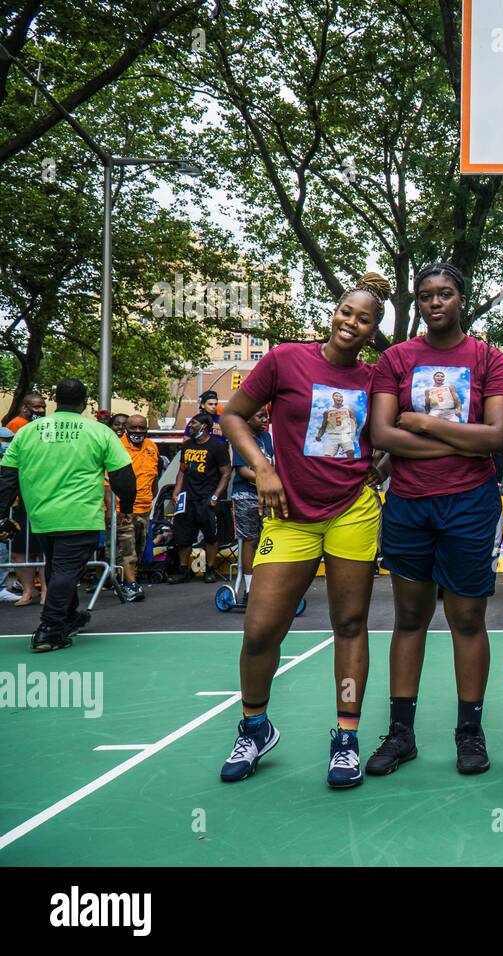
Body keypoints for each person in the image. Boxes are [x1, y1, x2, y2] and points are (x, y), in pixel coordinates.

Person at [216, 273, 390, 788]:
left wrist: (384, 462)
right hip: (289, 515)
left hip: (352, 510)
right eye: (345, 312)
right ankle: (254, 726)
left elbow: (390, 431)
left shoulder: (375, 378)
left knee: (351, 624)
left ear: (372, 331)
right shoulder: (285, 359)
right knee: (260, 630)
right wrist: (263, 467)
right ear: (333, 313)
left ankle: (346, 737)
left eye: (363, 319)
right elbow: (233, 416)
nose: (351, 323)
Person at [367, 262, 503, 776]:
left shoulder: (489, 359)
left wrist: (426, 425)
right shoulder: (395, 359)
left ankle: (469, 733)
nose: (435, 302)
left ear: (462, 300)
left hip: (471, 505)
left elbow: (496, 438)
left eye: (445, 294)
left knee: (468, 620)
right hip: (409, 506)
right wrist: (458, 438)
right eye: (426, 295)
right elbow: (383, 436)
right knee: (409, 619)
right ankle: (401, 734)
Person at [0, 378, 137, 652]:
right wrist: (127, 507)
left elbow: (7, 476)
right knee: (65, 570)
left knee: (57, 567)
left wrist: (2, 514)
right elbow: (123, 477)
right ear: (84, 402)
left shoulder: (28, 432)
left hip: (41, 517)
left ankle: (69, 617)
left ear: (55, 401)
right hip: (80, 514)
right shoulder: (98, 431)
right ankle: (49, 628)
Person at [167, 412, 231, 584]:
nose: (191, 426)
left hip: (207, 497)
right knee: (183, 535)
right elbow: (182, 470)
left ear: (204, 426)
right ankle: (183, 571)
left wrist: (216, 496)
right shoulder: (187, 446)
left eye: (194, 423)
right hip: (187, 497)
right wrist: (177, 491)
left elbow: (226, 473)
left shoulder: (217, 447)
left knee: (211, 535)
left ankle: (209, 570)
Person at [4, 391, 46, 604]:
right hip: (21, 499)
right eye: (35, 407)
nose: (40, 411)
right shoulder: (17, 425)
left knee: (43, 550)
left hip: (44, 497)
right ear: (24, 408)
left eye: (42, 406)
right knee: (20, 549)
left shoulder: (47, 427)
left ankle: (45, 591)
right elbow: (11, 466)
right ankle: (28, 591)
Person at [114, 414, 160, 602]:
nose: (138, 432)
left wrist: (151, 498)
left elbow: (154, 476)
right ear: (126, 428)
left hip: (144, 507)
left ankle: (127, 579)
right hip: (122, 508)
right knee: (127, 548)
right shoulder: (116, 446)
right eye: (134, 428)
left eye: (142, 428)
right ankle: (131, 585)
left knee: (139, 548)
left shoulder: (151, 446)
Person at [228, 406, 274, 599]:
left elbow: (272, 463)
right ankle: (249, 589)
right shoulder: (242, 439)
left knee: (270, 539)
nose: (265, 420)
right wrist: (265, 479)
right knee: (251, 540)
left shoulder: (267, 438)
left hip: (268, 495)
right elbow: (242, 470)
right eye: (260, 416)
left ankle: (270, 585)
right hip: (246, 495)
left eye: (266, 416)